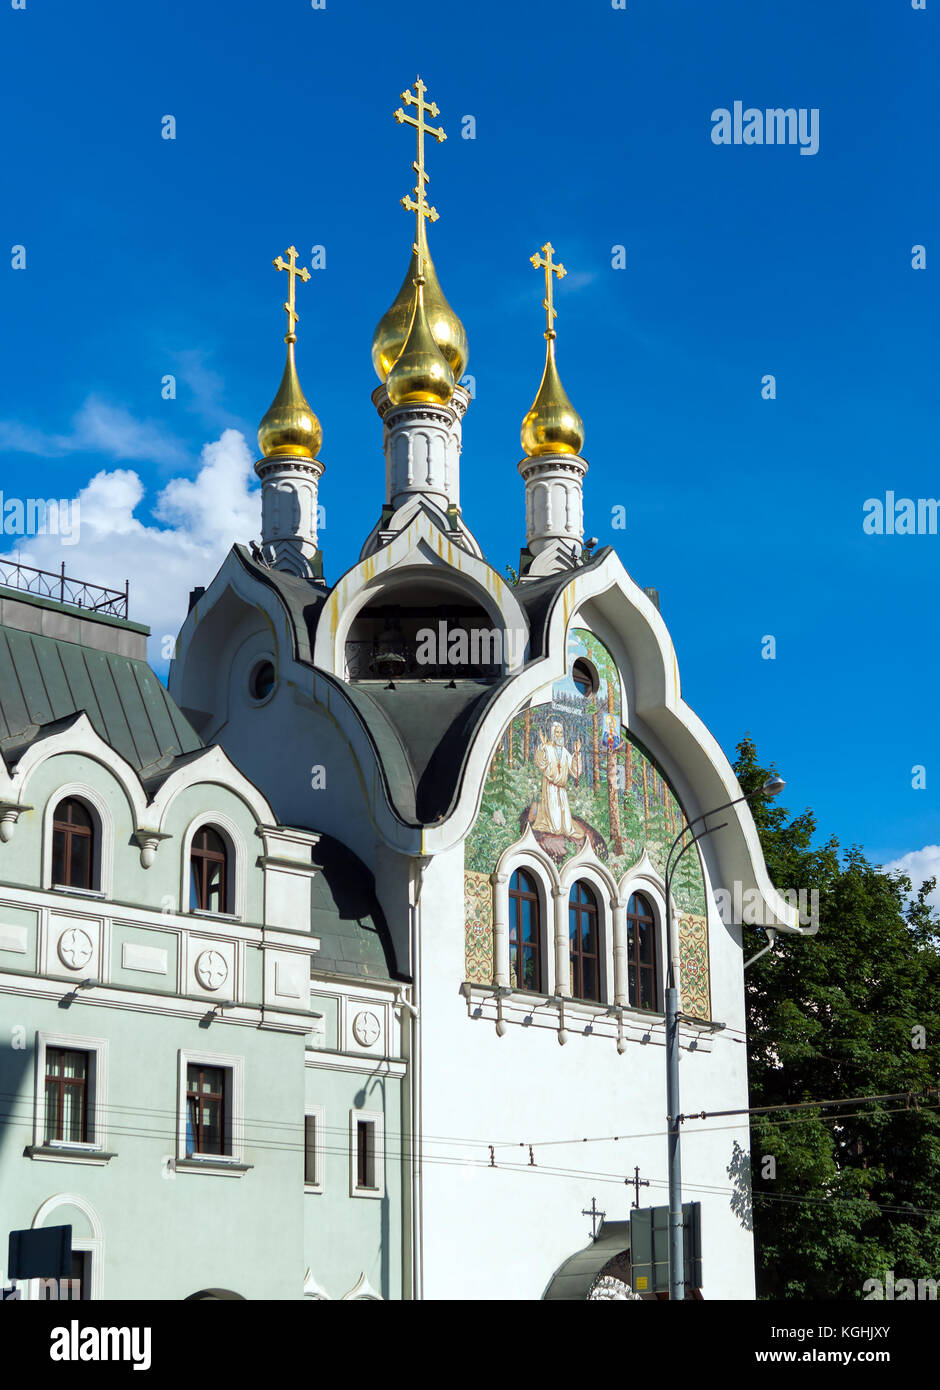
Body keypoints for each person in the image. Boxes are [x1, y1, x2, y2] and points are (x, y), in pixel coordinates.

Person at [531, 721, 584, 840]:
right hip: (550, 788)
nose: (559, 735)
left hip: (562, 791)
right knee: (555, 827)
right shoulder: (548, 748)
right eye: (557, 732)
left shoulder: (565, 751)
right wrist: (543, 747)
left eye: (561, 733)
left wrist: (576, 754)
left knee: (567, 827)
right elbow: (540, 762)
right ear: (552, 734)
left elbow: (574, 770)